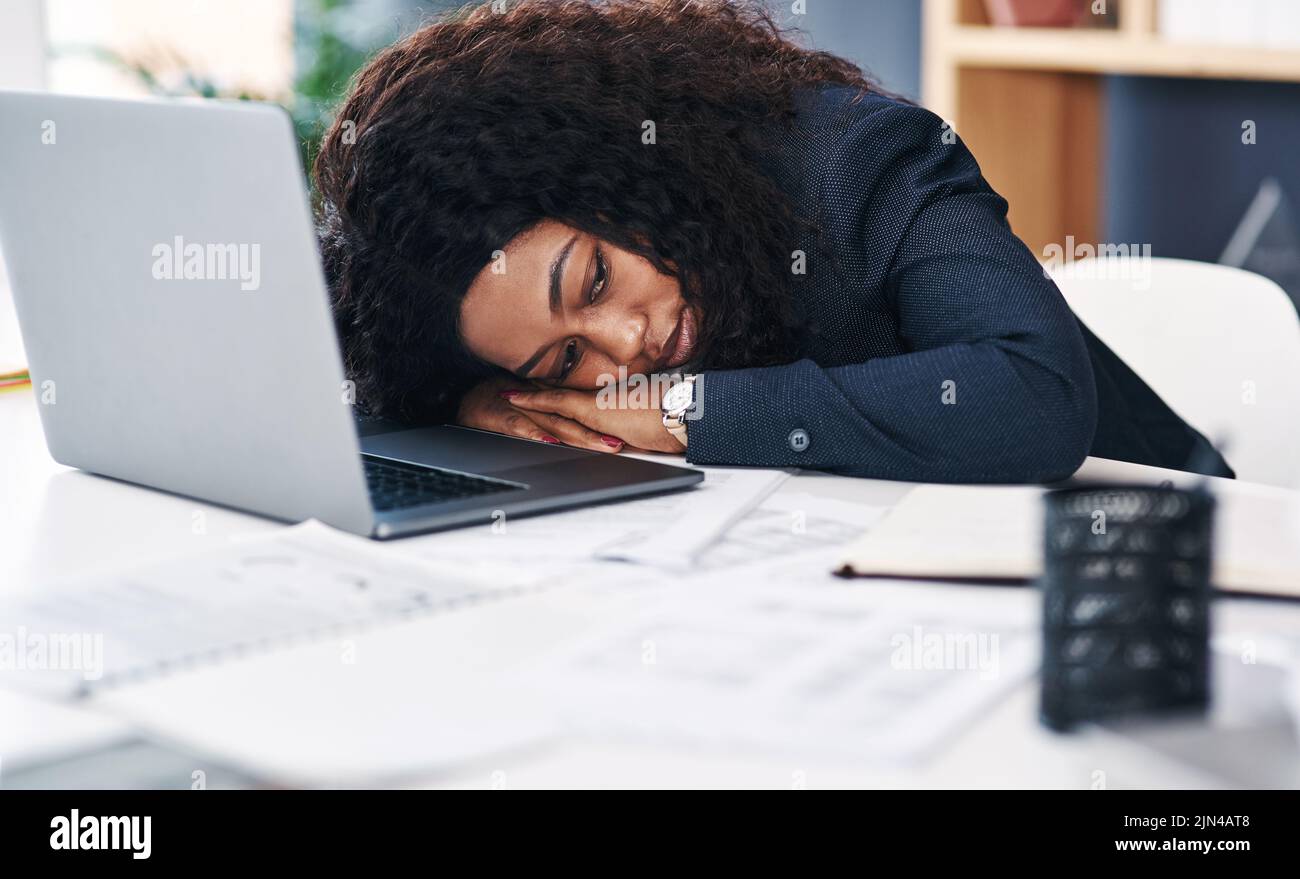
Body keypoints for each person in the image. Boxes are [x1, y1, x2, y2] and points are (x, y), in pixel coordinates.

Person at [313, 0, 1232, 483]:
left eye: (594, 280)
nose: (626, 346)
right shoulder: (563, 372)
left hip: (1170, 550)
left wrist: (678, 413)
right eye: (563, 359)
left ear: (615, 167)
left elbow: (1029, 396)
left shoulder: (857, 157)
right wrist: (480, 404)